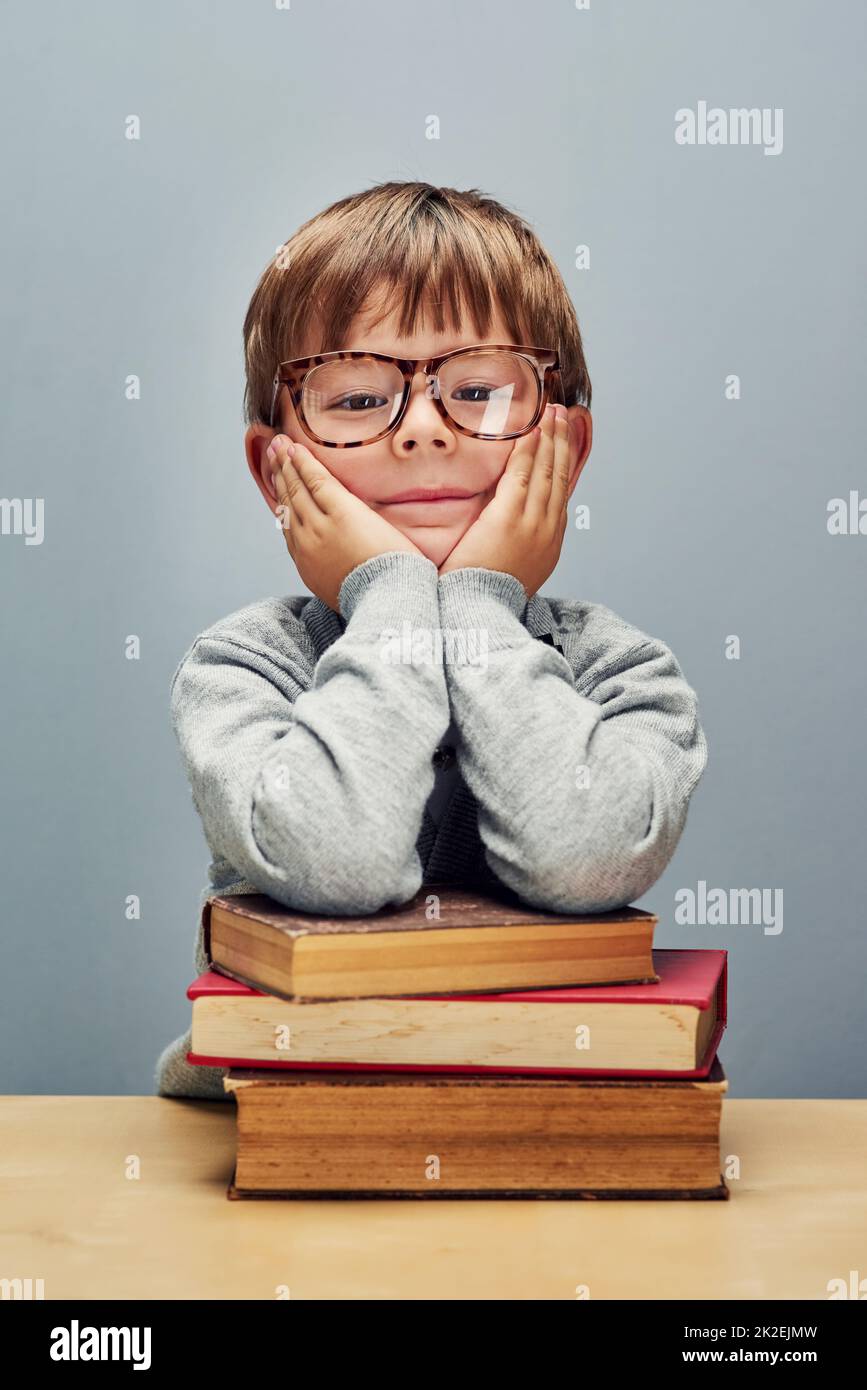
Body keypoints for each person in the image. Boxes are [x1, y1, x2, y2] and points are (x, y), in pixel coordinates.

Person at [155, 181, 707, 1099]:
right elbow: (340, 864)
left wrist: (481, 607)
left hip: (551, 1143)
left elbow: (584, 861)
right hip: (265, 1144)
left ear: (565, 449)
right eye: (360, 397)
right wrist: (393, 594)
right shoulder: (241, 668)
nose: (418, 432)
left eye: (478, 390)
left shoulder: (622, 671)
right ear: (274, 468)